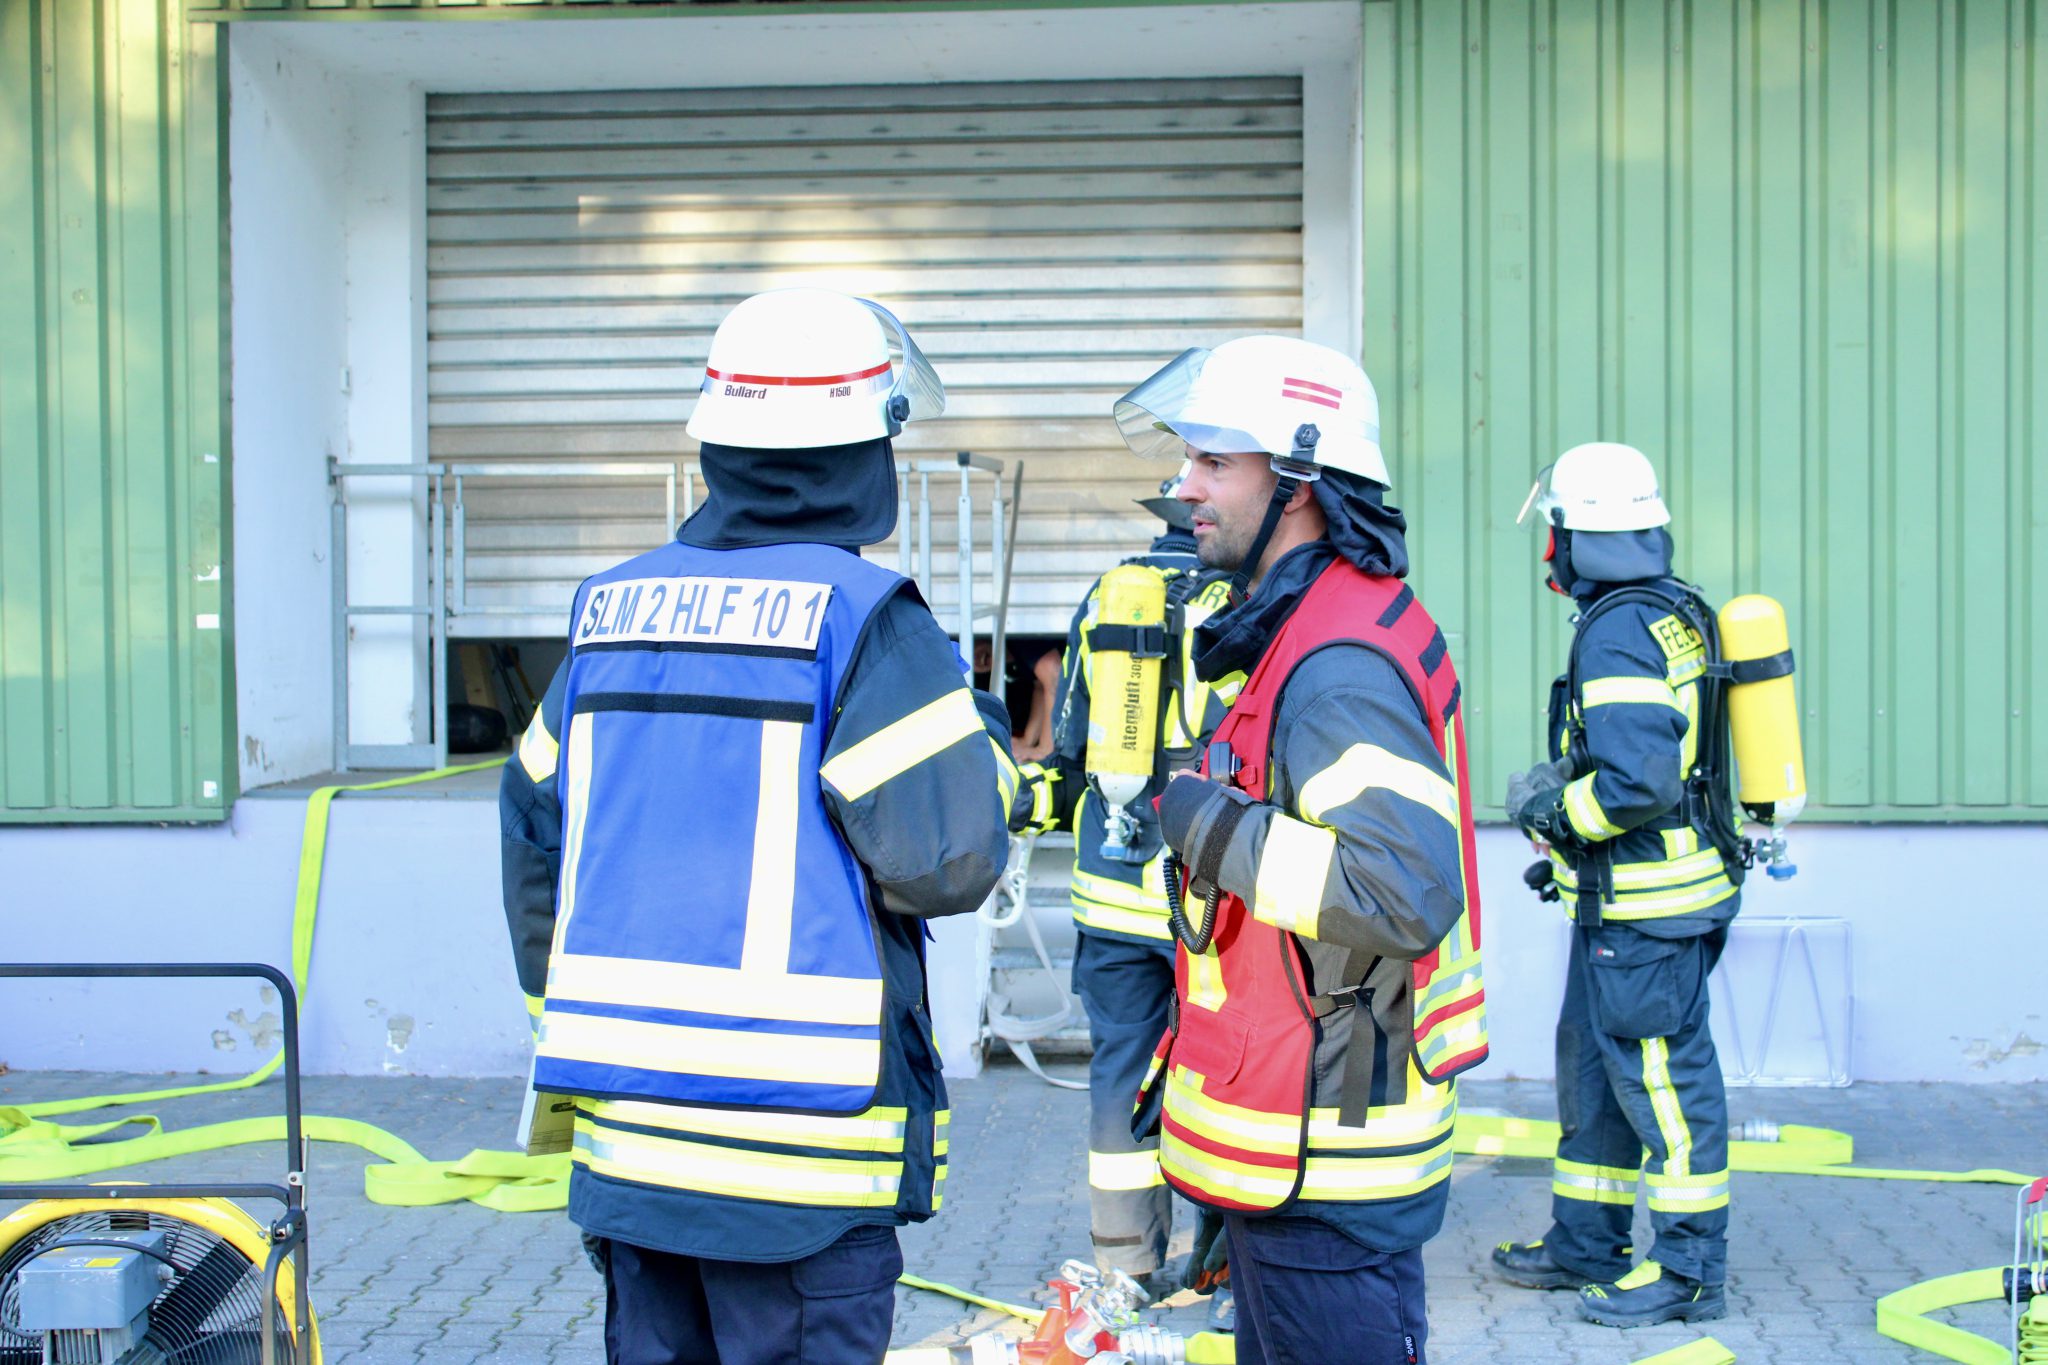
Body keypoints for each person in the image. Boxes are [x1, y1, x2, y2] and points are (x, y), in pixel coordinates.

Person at [499, 288, 1017, 1365]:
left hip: (632, 1148)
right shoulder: (866, 620)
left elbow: (534, 839)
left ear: (715, 448)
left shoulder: (608, 611)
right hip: (797, 1170)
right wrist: (990, 752)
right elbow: (946, 861)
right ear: (866, 450)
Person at [1119, 337, 1489, 1365]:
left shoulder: (1334, 664)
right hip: (1312, 1121)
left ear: (1299, 482)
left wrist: (1203, 824)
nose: (1181, 486)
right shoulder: (1324, 621)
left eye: (1213, 463)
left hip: (1322, 1154)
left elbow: (1399, 891)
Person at [1490, 441, 1738, 1328]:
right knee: (1594, 1074)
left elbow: (1638, 785)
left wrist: (1555, 814)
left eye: (1552, 531)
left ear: (1573, 534)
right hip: (1631, 904)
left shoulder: (1619, 630)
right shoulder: (1672, 610)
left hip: (1650, 910)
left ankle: (1689, 1270)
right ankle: (1586, 1242)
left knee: (1665, 1088)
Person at [1008, 474, 1236, 1308]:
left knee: (1119, 1076)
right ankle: (1221, 1256)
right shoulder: (1247, 597)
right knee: (1223, 1074)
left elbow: (1069, 743)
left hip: (1111, 896)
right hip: (1210, 899)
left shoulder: (1112, 597)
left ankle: (1125, 1265)